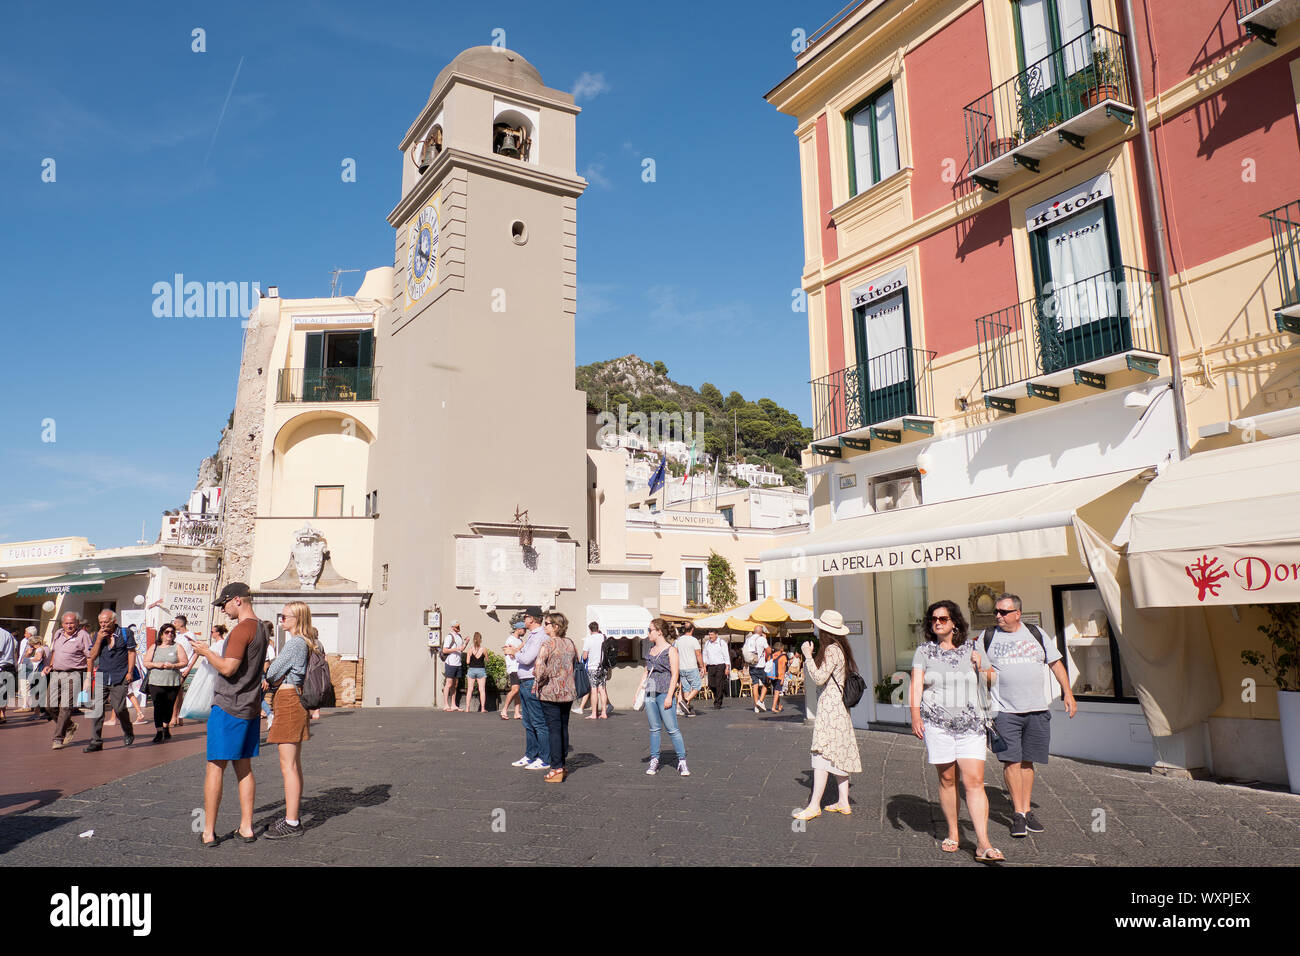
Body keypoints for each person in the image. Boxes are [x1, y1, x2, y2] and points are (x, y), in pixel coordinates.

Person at [909, 600, 1003, 861]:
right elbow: (916, 684)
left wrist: (981, 665)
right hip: (937, 725)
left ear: (954, 623)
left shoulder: (973, 647)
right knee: (947, 780)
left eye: (943, 619)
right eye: (934, 619)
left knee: (973, 781)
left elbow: (992, 679)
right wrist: (915, 715)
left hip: (971, 725)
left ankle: (983, 842)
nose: (937, 622)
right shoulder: (924, 651)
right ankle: (953, 831)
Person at [979, 593, 1077, 839]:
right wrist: (982, 671)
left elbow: (1055, 663)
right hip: (1005, 711)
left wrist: (1068, 692)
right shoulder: (987, 636)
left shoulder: (1036, 633)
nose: (998, 616)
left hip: (1036, 709)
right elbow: (981, 671)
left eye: (1003, 612)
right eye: (997, 612)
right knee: (1011, 761)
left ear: (1017, 614)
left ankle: (1025, 808)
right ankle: (1019, 813)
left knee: (1028, 761)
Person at [189, 582, 268, 847]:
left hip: (228, 705)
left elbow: (228, 668)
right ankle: (246, 827)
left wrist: (205, 652)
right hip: (249, 706)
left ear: (237, 600)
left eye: (224, 604)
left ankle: (208, 832)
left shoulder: (241, 630)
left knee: (215, 767)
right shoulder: (262, 628)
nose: (223, 610)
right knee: (244, 767)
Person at [793, 611, 860, 820]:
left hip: (830, 709)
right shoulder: (841, 649)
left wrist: (807, 656)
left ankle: (814, 805)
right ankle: (843, 801)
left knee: (821, 755)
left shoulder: (831, 650)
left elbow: (819, 678)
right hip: (838, 708)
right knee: (838, 753)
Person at [262, 600, 319, 839]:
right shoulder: (310, 641)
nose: (281, 621)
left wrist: (268, 675)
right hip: (294, 701)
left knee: (289, 766)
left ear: (297, 619)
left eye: (285, 617)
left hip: (288, 700)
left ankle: (292, 822)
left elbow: (273, 673)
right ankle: (291, 816)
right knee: (294, 764)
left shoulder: (295, 643)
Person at [640, 618, 688, 776]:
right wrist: (638, 691)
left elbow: (675, 674)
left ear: (659, 632)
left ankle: (682, 761)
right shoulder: (651, 650)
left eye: (650, 630)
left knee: (672, 729)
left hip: (664, 692)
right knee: (654, 728)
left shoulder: (671, 650)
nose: (648, 633)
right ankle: (654, 760)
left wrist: (670, 696)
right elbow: (647, 671)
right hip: (650, 692)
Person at [84, 610, 137, 752]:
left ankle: (128, 730)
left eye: (105, 622)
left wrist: (130, 672)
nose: (103, 625)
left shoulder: (125, 633)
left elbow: (132, 653)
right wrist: (100, 639)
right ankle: (96, 741)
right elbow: (92, 656)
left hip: (120, 675)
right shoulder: (97, 635)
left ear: (113, 620)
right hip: (102, 675)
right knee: (97, 709)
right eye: (100, 622)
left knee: (119, 708)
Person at [534, 612, 577, 782]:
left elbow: (539, 669)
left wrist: (539, 678)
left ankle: (556, 767)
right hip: (567, 691)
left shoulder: (547, 643)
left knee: (553, 729)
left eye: (547, 623)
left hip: (550, 692)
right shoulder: (570, 643)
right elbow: (575, 663)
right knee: (563, 728)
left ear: (556, 627)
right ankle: (562, 764)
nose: (544, 626)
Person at [43, 613, 95, 749]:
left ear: (77, 623)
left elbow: (90, 658)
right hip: (56, 673)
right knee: (49, 706)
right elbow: (55, 651)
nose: (69, 626)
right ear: (62, 624)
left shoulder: (83, 636)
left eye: (71, 623)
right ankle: (70, 726)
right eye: (66, 623)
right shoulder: (58, 633)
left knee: (66, 707)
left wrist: (88, 678)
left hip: (74, 674)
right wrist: (50, 665)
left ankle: (58, 738)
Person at [509, 607, 551, 770]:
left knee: (538, 721)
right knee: (527, 721)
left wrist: (514, 652)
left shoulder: (540, 636)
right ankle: (531, 755)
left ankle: (544, 758)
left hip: (532, 681)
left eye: (525, 617)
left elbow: (527, 659)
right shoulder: (532, 636)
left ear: (531, 619)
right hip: (525, 681)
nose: (524, 620)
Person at [143, 622, 188, 743]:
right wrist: (156, 664)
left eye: (172, 632)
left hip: (172, 682)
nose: (170, 634)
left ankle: (166, 727)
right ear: (161, 634)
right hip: (155, 681)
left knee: (169, 707)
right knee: (158, 707)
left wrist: (173, 666)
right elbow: (146, 662)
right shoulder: (154, 647)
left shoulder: (177, 646)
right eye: (167, 632)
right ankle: (158, 731)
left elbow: (184, 662)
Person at [674, 622, 704, 717]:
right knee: (697, 686)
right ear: (692, 629)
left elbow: (675, 653)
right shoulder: (693, 640)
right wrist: (702, 666)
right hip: (691, 667)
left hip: (681, 668)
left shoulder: (678, 640)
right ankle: (685, 701)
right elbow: (698, 654)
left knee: (686, 688)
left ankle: (687, 709)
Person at [581, 621, 608, 720]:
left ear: (590, 629)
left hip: (592, 667)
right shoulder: (604, 637)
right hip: (603, 667)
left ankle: (594, 713)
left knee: (594, 690)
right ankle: (604, 713)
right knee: (602, 689)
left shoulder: (589, 639)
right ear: (598, 628)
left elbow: (584, 656)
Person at [19, 628, 47, 716]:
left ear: (37, 643)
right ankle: (37, 710)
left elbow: (38, 658)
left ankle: (36, 711)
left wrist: (30, 659)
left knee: (35, 691)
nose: (32, 647)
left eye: (33, 645)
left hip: (37, 671)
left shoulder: (39, 649)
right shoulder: (44, 648)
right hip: (39, 671)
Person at [743, 624, 771, 714]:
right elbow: (769, 651)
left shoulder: (748, 639)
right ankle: (760, 701)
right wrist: (765, 639)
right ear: (761, 632)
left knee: (755, 685)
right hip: (761, 665)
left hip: (752, 665)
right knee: (767, 683)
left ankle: (756, 706)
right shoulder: (762, 639)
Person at [500, 622, 525, 720]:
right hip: (513, 667)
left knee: (518, 691)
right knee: (515, 689)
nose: (525, 631)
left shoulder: (520, 640)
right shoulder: (510, 639)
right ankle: (504, 710)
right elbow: (510, 653)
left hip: (520, 667)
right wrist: (521, 646)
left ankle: (516, 712)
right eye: (524, 629)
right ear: (518, 629)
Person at [441, 620, 466, 712]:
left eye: (459, 626)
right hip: (450, 662)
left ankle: (453, 704)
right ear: (452, 627)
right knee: (449, 683)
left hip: (458, 662)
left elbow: (461, 649)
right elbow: (444, 650)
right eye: (456, 627)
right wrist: (455, 649)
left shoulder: (459, 636)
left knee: (455, 684)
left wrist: (466, 642)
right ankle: (446, 705)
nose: (458, 628)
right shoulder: (449, 637)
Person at [701, 628, 729, 709]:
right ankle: (718, 695)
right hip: (711, 666)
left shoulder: (721, 643)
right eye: (709, 635)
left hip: (720, 665)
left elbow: (726, 655)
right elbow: (705, 654)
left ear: (716, 635)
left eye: (712, 635)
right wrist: (704, 665)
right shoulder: (707, 643)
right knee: (711, 684)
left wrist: (727, 667)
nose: (710, 636)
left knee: (719, 684)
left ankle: (718, 702)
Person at [463, 632, 489, 713]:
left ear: (473, 640)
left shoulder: (470, 650)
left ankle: (467, 708)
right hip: (481, 670)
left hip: (471, 670)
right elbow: (487, 660)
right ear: (480, 639)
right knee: (482, 690)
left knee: (470, 690)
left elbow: (467, 662)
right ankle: (483, 708)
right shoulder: (484, 649)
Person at [0, 623, 15, 724]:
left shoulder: (1, 634)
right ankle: (2, 715)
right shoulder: (7, 634)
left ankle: (2, 715)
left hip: (3, 666)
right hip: (7, 666)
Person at [770, 642, 790, 713]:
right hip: (779, 676)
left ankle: (779, 705)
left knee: (776, 691)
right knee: (777, 691)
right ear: (781, 649)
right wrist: (783, 678)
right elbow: (784, 668)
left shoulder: (772, 656)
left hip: (772, 676)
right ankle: (773, 707)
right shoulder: (783, 657)